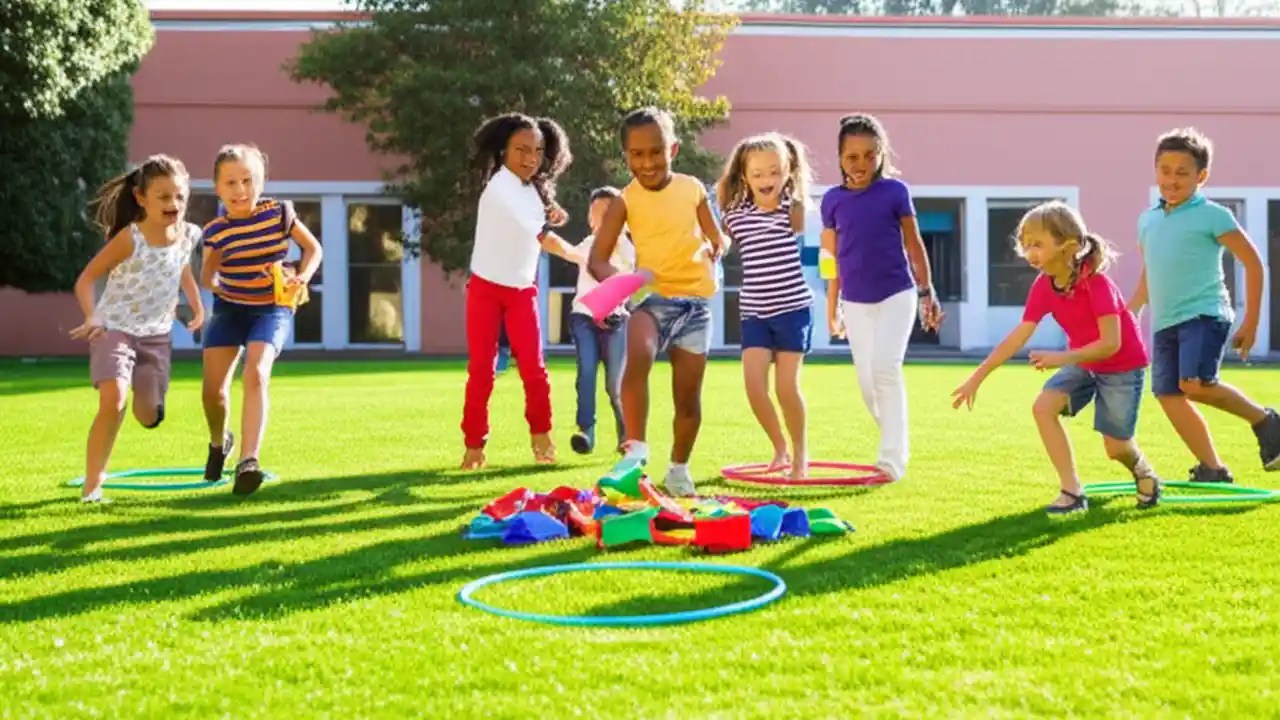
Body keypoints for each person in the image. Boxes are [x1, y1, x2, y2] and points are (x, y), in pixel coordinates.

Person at [952, 201, 1162, 513]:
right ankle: (1072, 491)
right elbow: (1018, 336)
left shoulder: (1097, 284)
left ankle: (1143, 471)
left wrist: (1060, 358)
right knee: (1043, 407)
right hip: (1083, 363)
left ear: (1068, 246)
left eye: (1037, 244)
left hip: (1121, 366)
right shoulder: (1044, 286)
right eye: (1025, 245)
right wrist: (977, 377)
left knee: (1116, 448)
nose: (1029, 252)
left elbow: (1111, 344)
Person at [589, 106, 729, 497]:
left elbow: (719, 237)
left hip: (696, 306)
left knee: (688, 401)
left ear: (673, 149)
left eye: (655, 152)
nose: (647, 162)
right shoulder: (624, 201)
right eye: (637, 154)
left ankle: (679, 470)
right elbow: (597, 259)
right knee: (639, 355)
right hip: (651, 300)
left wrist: (717, 247)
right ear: (626, 156)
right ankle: (634, 450)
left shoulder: (692, 189)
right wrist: (621, 283)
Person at [1128, 127, 1280, 482]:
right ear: (1155, 171)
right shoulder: (1147, 220)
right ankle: (1212, 468)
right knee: (1167, 394)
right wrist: (1133, 308)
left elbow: (1254, 263)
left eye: (1182, 172)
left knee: (1194, 383)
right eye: (1165, 170)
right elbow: (1153, 269)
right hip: (1166, 321)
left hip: (1205, 313)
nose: (1172, 179)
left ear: (1201, 176)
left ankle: (1266, 420)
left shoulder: (1214, 215)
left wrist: (1251, 321)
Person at [71, 154, 204, 503]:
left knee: (147, 416)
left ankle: (144, 398)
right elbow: (86, 280)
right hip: (114, 327)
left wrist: (198, 306)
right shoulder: (130, 238)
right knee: (112, 401)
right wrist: (92, 316)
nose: (173, 204)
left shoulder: (189, 235)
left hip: (156, 335)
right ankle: (92, 487)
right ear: (141, 198)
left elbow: (184, 270)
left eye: (179, 196)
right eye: (163, 197)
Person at [821, 113, 943, 483]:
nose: (860, 165)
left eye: (869, 155)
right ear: (840, 157)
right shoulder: (832, 201)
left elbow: (914, 244)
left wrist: (927, 291)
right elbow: (830, 261)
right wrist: (832, 310)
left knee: (886, 371)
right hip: (855, 302)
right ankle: (896, 436)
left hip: (896, 295)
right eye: (852, 157)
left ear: (881, 154)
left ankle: (891, 461)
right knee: (867, 384)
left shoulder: (895, 193)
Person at [200, 143, 323, 495]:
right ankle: (218, 442)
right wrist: (221, 280)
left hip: (271, 308)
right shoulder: (216, 231)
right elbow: (208, 279)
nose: (240, 190)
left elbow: (314, 249)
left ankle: (248, 461)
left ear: (262, 181)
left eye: (248, 180)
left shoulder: (279, 214)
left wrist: (302, 275)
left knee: (256, 372)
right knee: (213, 393)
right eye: (231, 183)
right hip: (229, 310)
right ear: (218, 188)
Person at [460, 112, 580, 470]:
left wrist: (551, 209)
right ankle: (473, 447)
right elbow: (543, 238)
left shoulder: (530, 188)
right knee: (482, 371)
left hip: (520, 292)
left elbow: (539, 211)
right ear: (503, 150)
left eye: (538, 151)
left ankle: (542, 438)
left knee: (534, 368)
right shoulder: (499, 187)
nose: (530, 158)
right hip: (485, 290)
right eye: (521, 150)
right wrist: (580, 256)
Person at [716, 132, 815, 481]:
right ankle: (779, 448)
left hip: (792, 309)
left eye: (774, 172)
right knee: (755, 388)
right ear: (745, 177)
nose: (766, 181)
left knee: (786, 388)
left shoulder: (794, 210)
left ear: (787, 172)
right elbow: (723, 225)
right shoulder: (737, 215)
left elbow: (805, 225)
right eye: (756, 174)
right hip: (755, 311)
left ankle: (801, 454)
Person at [568, 186, 634, 455]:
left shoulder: (630, 250)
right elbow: (570, 253)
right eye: (597, 215)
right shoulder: (587, 245)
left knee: (616, 383)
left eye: (610, 214)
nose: (603, 221)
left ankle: (627, 435)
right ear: (590, 219)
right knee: (586, 373)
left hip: (616, 322)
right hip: (583, 317)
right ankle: (586, 432)